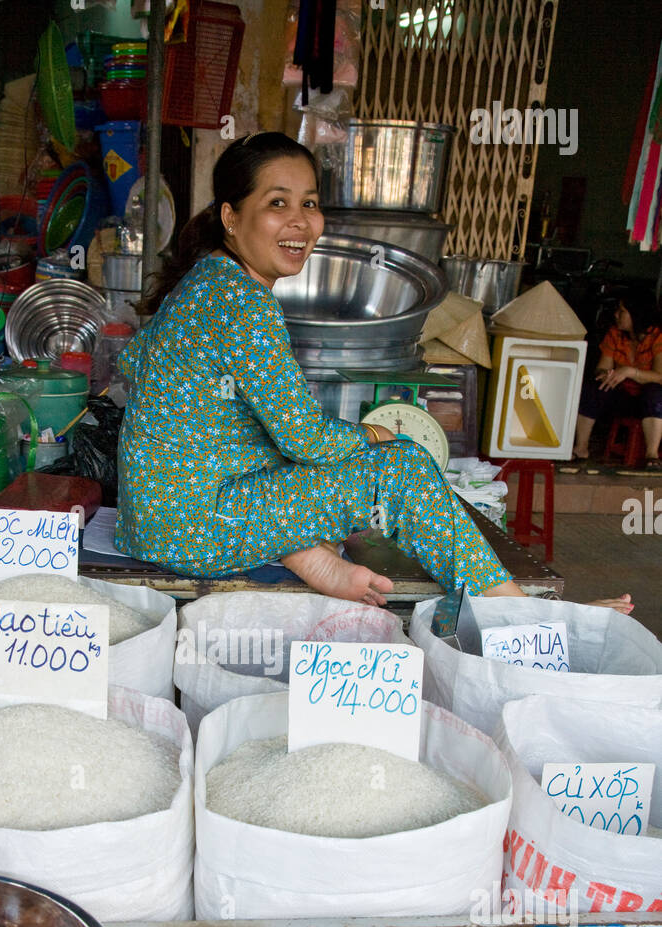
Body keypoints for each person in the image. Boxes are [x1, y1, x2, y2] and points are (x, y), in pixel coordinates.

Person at [117, 133, 630, 612]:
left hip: (159, 515)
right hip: (191, 523)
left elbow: (141, 367)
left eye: (309, 203)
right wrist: (373, 435)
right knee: (400, 464)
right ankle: (513, 612)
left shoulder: (208, 279)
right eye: (277, 204)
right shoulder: (240, 300)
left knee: (303, 460)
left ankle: (311, 556)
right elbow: (303, 438)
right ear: (232, 216)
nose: (299, 221)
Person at [573, 290, 662, 469]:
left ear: (636, 314)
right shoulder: (615, 334)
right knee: (594, 387)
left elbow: (660, 376)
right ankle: (581, 448)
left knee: (654, 393)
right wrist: (607, 374)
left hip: (650, 403)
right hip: (623, 397)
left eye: (621, 311)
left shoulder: (657, 337)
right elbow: (602, 367)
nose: (616, 315)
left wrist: (630, 372)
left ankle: (651, 454)